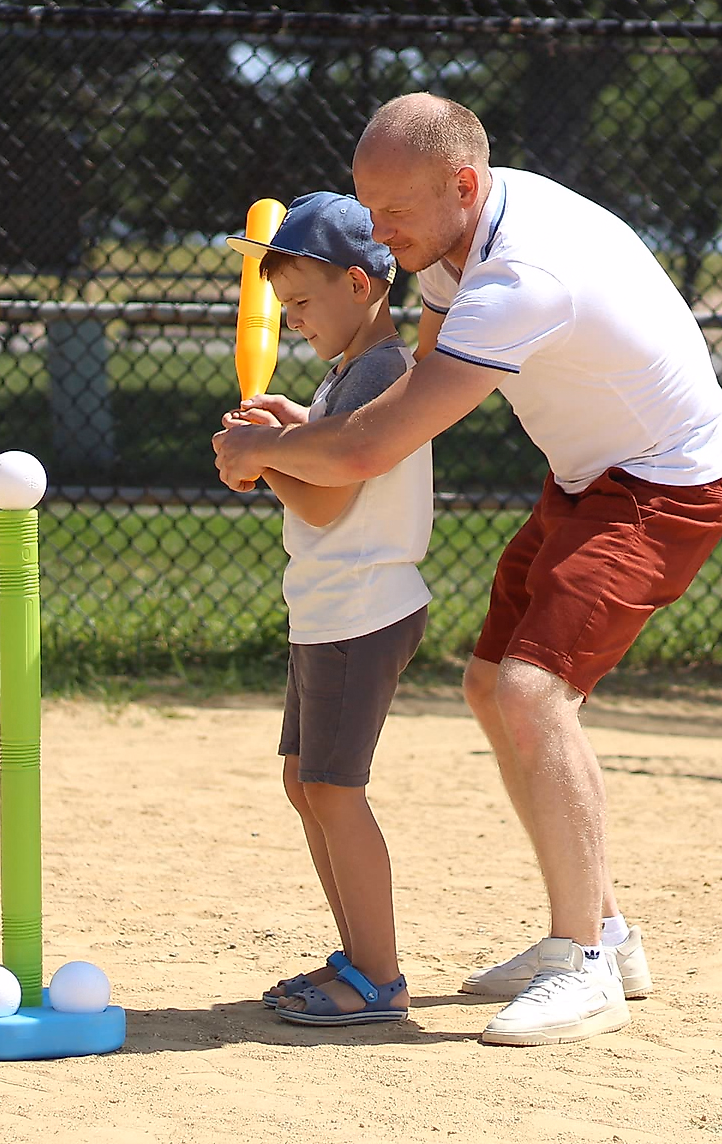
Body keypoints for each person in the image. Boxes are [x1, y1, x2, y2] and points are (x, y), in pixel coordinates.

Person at [213, 93, 722, 1047]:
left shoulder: (518, 276)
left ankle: (582, 965)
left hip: (662, 485)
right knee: (491, 682)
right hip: (588, 476)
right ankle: (606, 935)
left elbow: (375, 448)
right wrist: (311, 434)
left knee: (535, 692)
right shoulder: (456, 240)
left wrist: (267, 457)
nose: (378, 235)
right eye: (369, 210)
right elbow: (397, 398)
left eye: (395, 213)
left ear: (463, 184)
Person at [221, 190, 433, 1026]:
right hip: (332, 608)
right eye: (285, 309)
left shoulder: (381, 368)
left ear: (360, 283)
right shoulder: (352, 372)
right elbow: (335, 449)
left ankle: (379, 977)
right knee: (305, 783)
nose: (295, 321)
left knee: (333, 790)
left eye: (303, 304)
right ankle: (357, 958)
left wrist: (260, 457)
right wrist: (291, 425)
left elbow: (323, 503)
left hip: (361, 608)